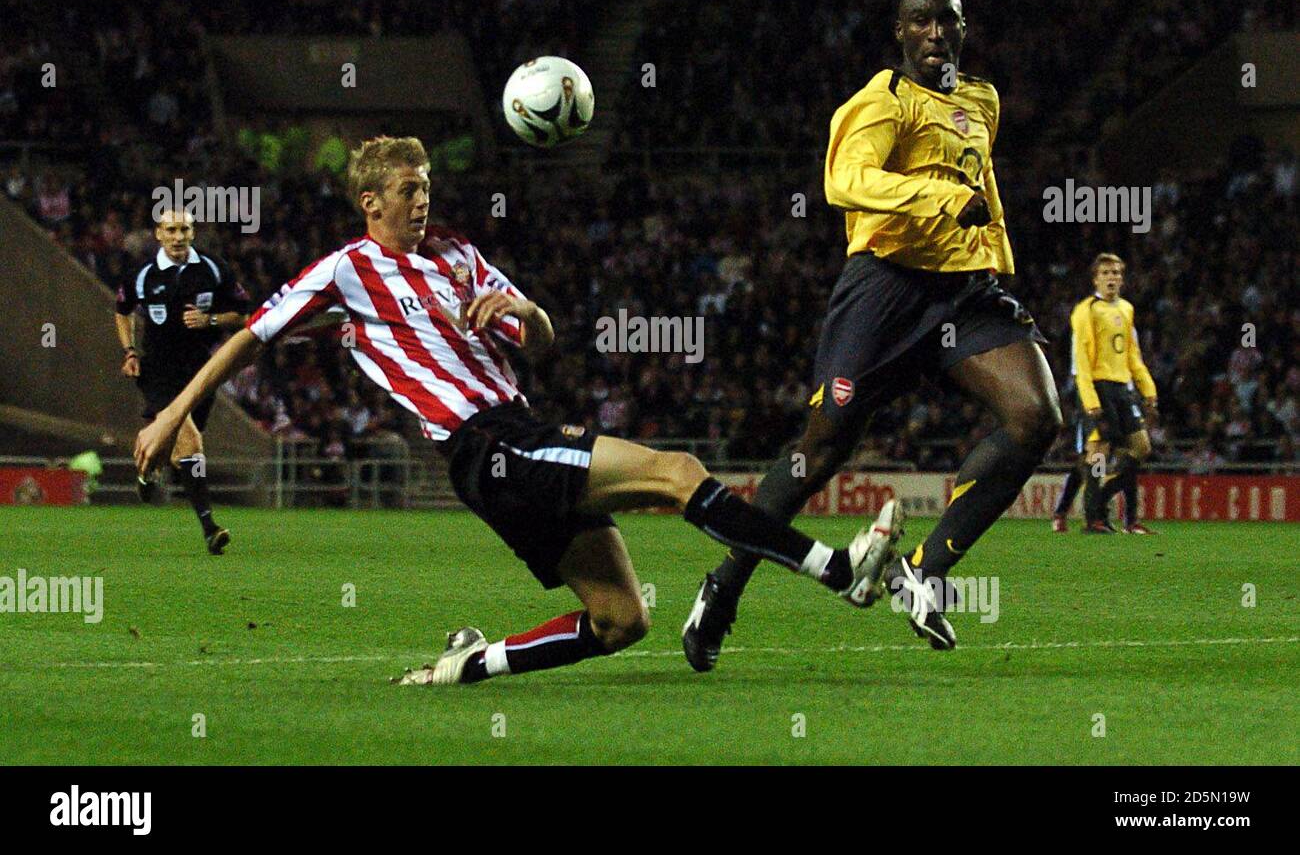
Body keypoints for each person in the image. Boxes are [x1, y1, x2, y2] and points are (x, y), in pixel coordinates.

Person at [134, 136, 902, 686]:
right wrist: (172, 413)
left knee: (620, 621)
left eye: (428, 183)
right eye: (409, 188)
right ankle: (842, 571)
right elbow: (251, 337)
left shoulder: (459, 254)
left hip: (511, 439)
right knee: (677, 473)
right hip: (485, 443)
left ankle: (471, 664)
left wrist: (523, 307)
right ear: (371, 201)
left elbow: (537, 336)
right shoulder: (348, 270)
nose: (423, 197)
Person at [683, 0, 1062, 670]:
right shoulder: (881, 100)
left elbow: (979, 184)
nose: (934, 33)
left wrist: (988, 246)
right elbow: (846, 182)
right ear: (900, 32)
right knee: (820, 451)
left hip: (966, 291)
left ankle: (923, 571)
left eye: (946, 21)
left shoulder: (982, 100)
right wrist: (940, 198)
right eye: (920, 21)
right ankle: (723, 588)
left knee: (1037, 416)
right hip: (885, 291)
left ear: (962, 29)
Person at [116, 208, 249, 553]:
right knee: (188, 440)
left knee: (175, 451)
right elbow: (122, 310)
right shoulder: (142, 274)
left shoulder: (213, 269)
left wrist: (211, 319)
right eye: (171, 230)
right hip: (158, 372)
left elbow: (244, 315)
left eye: (184, 230)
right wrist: (130, 351)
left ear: (193, 233)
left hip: (202, 371)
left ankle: (146, 472)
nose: (178, 237)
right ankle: (210, 528)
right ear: (158, 234)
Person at [1053, 253, 1159, 534]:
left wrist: (1148, 389)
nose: (1112, 278)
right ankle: (1094, 519)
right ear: (1095, 278)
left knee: (1140, 447)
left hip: (1123, 388)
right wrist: (1090, 401)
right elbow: (1083, 362)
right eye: (1106, 273)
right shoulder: (1085, 310)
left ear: (1122, 279)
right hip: (1098, 388)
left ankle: (1099, 503)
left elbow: (1133, 355)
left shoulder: (1126, 309)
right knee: (1096, 454)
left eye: (1116, 273)